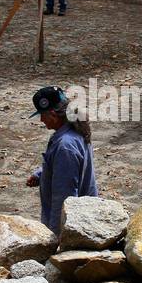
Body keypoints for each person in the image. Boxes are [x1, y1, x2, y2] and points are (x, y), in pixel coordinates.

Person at [25, 85, 97, 233]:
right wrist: (42, 173)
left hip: (72, 225)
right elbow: (68, 167)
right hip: (86, 215)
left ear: (53, 114)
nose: (41, 120)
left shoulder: (65, 146)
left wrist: (55, 237)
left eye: (42, 115)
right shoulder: (75, 130)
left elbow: (64, 200)